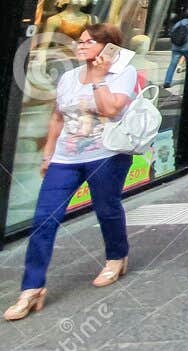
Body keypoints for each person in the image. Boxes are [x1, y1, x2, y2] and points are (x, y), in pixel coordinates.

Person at [6, 25, 138, 321]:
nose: (80, 46)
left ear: (108, 48)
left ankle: (117, 256)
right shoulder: (67, 77)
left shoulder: (123, 74)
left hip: (106, 155)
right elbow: (57, 115)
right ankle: (32, 287)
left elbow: (112, 110)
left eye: (89, 42)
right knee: (43, 219)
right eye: (80, 41)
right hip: (65, 158)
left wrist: (100, 78)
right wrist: (48, 153)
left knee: (107, 209)